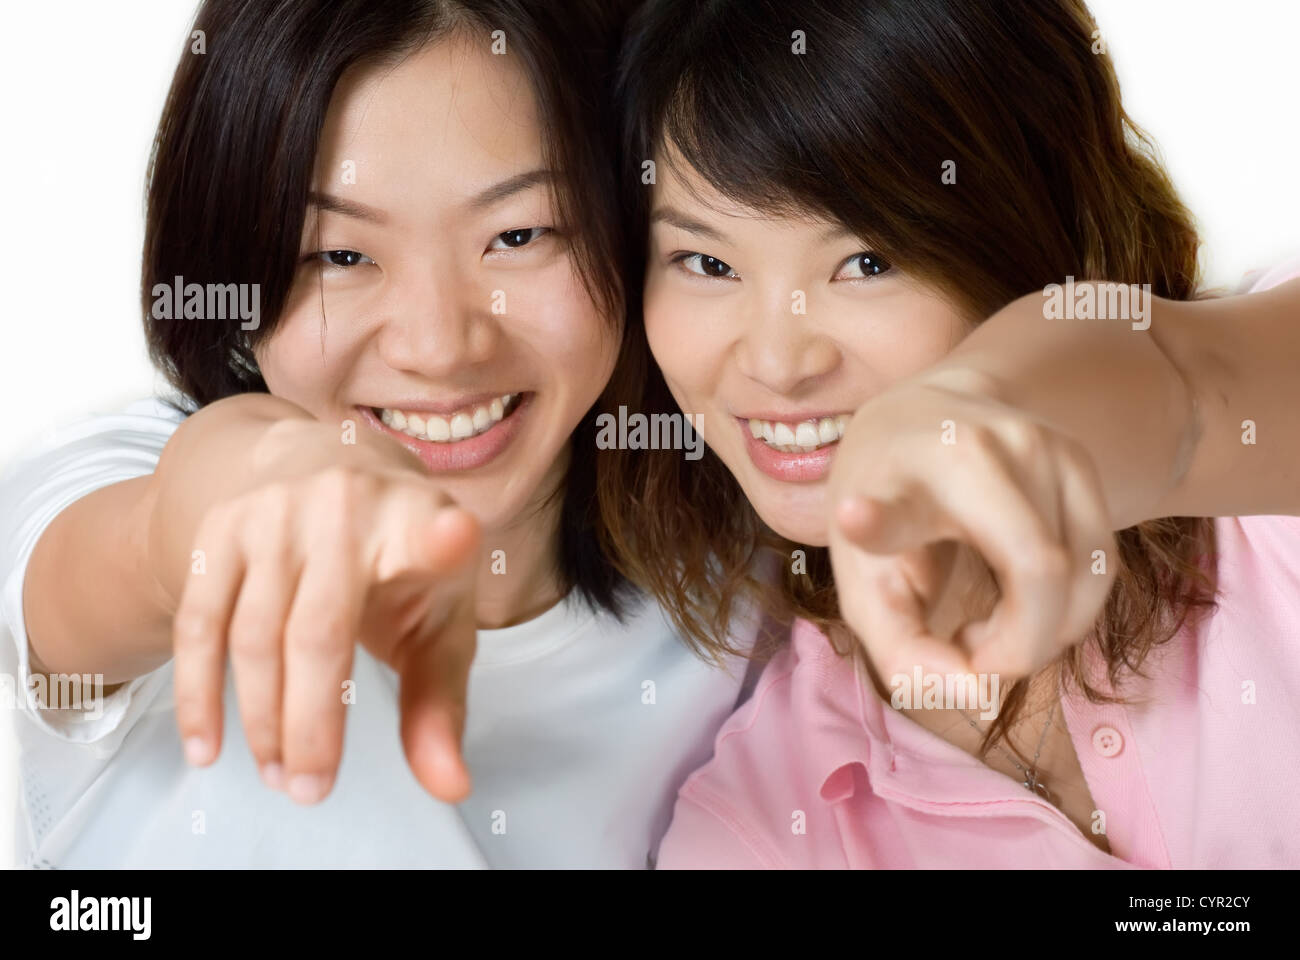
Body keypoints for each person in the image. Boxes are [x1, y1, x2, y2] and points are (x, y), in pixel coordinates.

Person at [0, 0, 749, 869]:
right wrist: (253, 486)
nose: (438, 346)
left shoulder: (750, 573)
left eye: (518, 235)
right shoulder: (117, 478)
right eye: (339, 256)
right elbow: (135, 549)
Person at [604, 0, 1300, 867]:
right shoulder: (760, 825)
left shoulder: (1270, 458)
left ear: (1028, 233)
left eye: (867, 262)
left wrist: (988, 401)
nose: (779, 363)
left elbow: (1197, 395)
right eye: (707, 264)